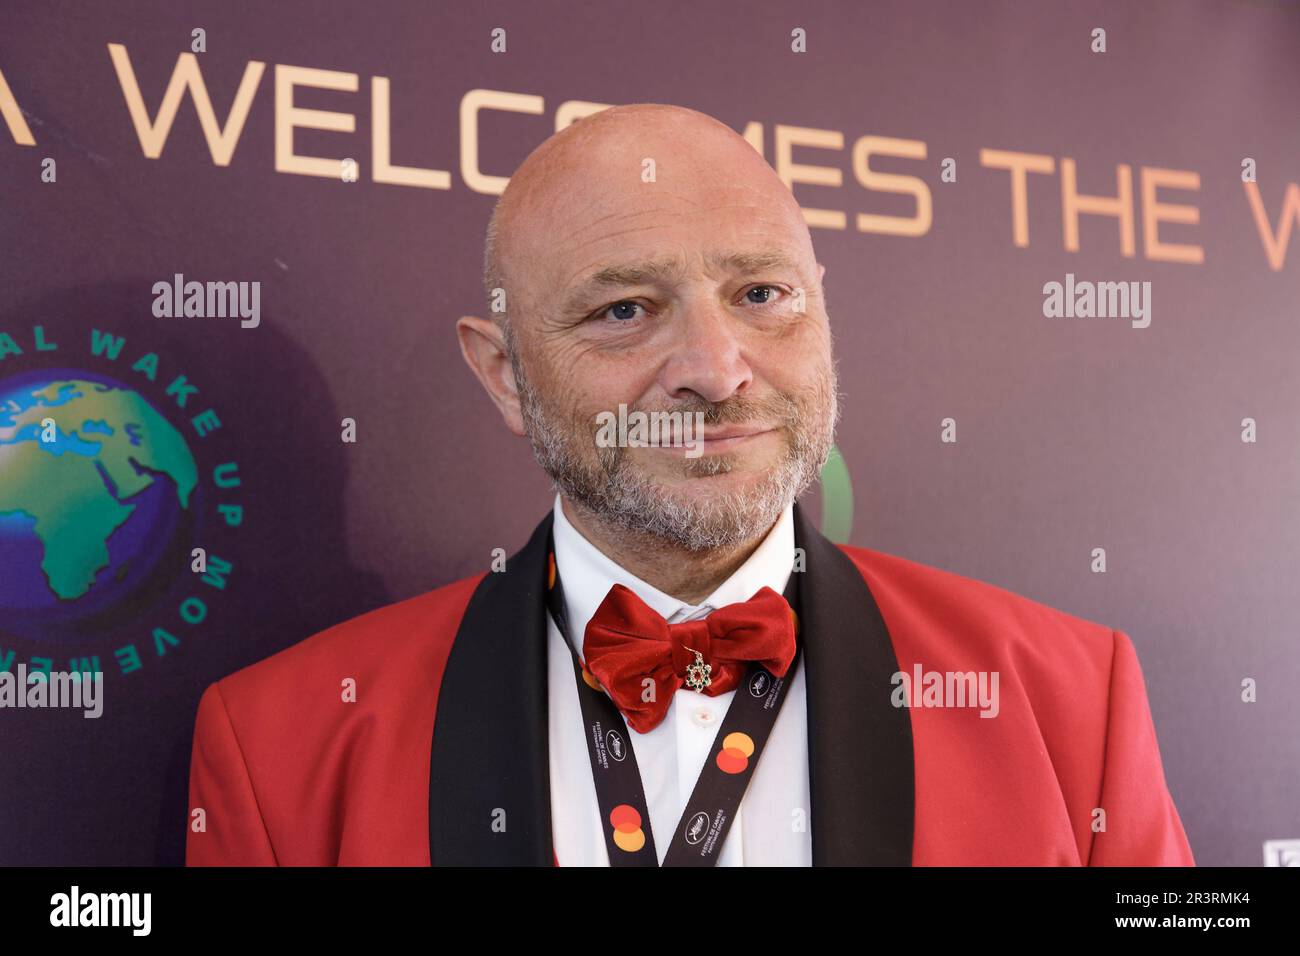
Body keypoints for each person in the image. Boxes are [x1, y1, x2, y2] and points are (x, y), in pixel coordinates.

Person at [186, 103, 1194, 866]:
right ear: (505, 374)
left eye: (761, 294)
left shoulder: (1072, 698)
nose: (715, 368)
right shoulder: (280, 745)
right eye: (625, 309)